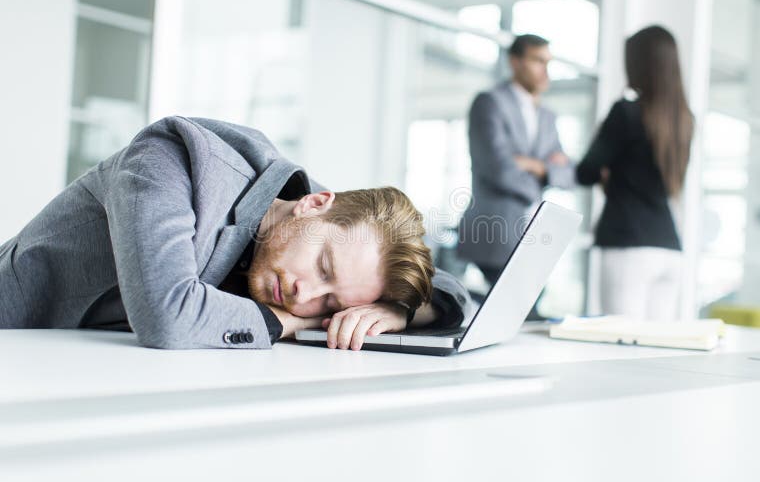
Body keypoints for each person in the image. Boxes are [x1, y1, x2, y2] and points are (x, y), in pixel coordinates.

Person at [0, 116, 474, 350]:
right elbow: (166, 315)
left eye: (331, 304)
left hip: (81, 365)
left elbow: (450, 291)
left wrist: (394, 310)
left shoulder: (319, 225)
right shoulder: (172, 160)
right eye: (324, 267)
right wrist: (299, 323)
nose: (304, 294)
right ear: (314, 204)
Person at [576, 25, 694, 320]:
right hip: (668, 248)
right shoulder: (684, 119)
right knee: (655, 352)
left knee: (620, 346)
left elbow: (586, 171)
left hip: (628, 244)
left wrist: (606, 174)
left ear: (639, 63)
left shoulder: (626, 111)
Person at [457, 34, 574, 291]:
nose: (546, 71)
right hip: (494, 230)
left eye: (548, 62)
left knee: (527, 312)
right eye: (538, 61)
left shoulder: (547, 115)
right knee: (513, 311)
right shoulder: (489, 103)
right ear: (515, 62)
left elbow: (569, 173)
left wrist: (535, 166)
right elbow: (499, 168)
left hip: (535, 234)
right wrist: (546, 170)